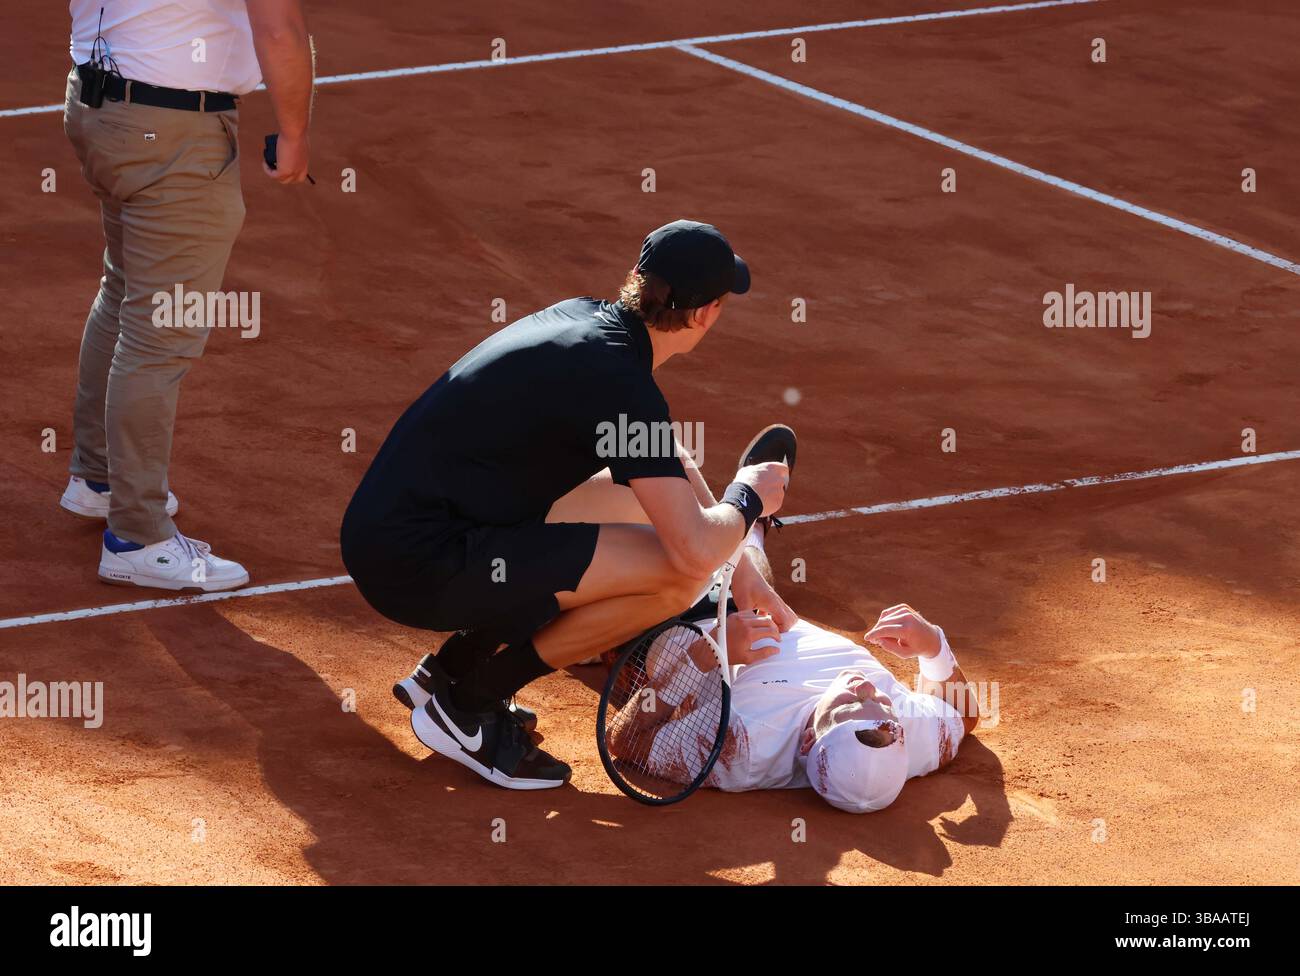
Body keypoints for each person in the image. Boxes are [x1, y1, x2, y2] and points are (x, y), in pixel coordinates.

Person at [342, 220, 795, 790]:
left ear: (636, 278)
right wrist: (747, 496)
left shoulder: (583, 321)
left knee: (637, 510)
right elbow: (695, 545)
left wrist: (747, 574)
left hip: (392, 530)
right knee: (680, 575)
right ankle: (469, 703)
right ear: (706, 314)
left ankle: (452, 669)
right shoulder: (626, 389)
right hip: (421, 566)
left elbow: (667, 463)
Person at [60, 0, 314, 591]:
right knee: (160, 334)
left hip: (96, 108)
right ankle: (137, 536)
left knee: (122, 290)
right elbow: (280, 27)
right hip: (170, 133)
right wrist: (296, 135)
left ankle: (97, 479)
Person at [610, 521, 982, 812]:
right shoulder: (901, 737)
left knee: (641, 529)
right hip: (762, 601)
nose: (866, 688)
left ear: (807, 742)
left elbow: (626, 742)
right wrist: (934, 648)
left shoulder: (742, 750)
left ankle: (738, 515)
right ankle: (750, 525)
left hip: (671, 620)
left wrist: (709, 651)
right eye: (881, 702)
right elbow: (961, 715)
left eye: (847, 705)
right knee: (751, 575)